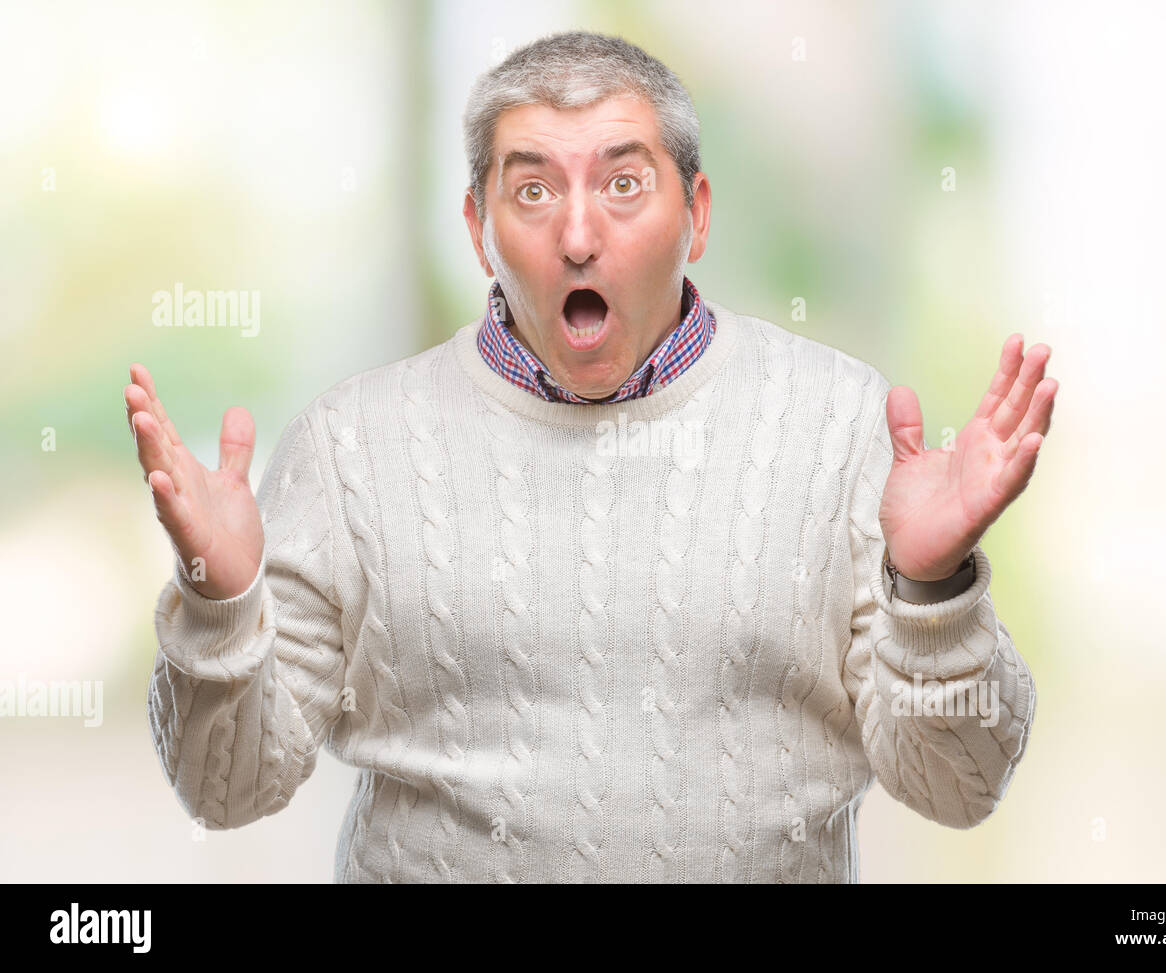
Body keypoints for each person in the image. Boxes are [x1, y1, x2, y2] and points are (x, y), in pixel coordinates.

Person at [129, 29, 1054, 883]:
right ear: (477, 227)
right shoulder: (349, 449)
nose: (578, 236)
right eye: (532, 190)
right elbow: (225, 791)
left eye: (623, 184)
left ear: (695, 214)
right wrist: (221, 601)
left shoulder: (838, 424)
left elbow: (957, 790)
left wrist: (933, 591)